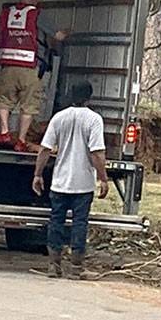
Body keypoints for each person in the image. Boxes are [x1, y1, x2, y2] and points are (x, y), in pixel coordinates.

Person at [32, 80, 109, 279]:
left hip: (60, 181)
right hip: (82, 183)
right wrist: (103, 178)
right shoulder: (94, 120)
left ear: (71, 95)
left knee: (56, 221)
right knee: (79, 223)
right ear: (89, 98)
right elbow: (97, 154)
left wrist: (38, 174)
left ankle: (53, 266)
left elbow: (45, 149)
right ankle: (76, 268)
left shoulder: (59, 118)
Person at [0, 0, 66, 151]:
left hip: (8, 65)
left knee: (2, 99)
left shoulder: (6, 13)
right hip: (30, 67)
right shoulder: (38, 15)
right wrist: (70, 32)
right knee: (29, 104)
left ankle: (4, 131)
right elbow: (59, 36)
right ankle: (21, 140)